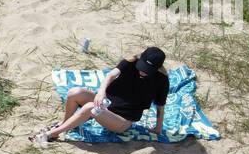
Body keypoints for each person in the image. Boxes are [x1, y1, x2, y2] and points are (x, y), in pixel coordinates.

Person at [30, 47, 169, 144]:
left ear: (156, 69)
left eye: (147, 70)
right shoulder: (130, 62)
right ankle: (66, 123)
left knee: (90, 107)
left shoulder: (161, 80)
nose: (143, 71)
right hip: (107, 104)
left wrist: (158, 129)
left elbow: (160, 106)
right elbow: (111, 75)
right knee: (74, 93)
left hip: (122, 120)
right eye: (142, 67)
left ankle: (53, 134)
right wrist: (101, 91)